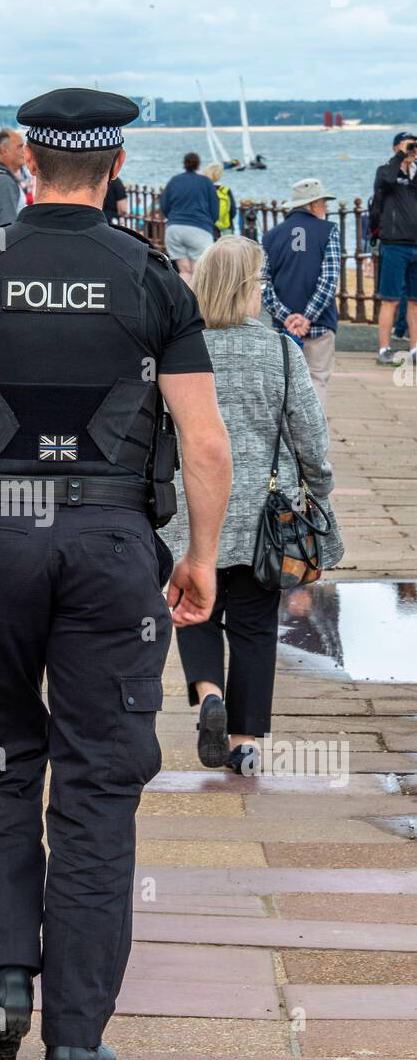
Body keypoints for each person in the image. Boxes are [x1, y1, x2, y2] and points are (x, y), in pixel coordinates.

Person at [0, 87, 232, 1060]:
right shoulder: (151, 277)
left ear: (26, 162)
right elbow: (204, 442)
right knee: (96, 783)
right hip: (112, 544)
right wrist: (200, 556)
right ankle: (75, 1036)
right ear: (116, 166)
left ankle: (2, 980)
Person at [160, 237, 343, 776]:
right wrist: (321, 487)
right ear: (247, 288)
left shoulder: (177, 347)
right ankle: (243, 742)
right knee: (255, 626)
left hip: (193, 506)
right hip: (266, 515)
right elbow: (309, 434)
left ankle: (209, 692)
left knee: (193, 605)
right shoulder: (280, 350)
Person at [261, 178, 340, 407]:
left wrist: (286, 316)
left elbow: (264, 283)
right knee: (317, 380)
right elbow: (328, 280)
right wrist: (307, 317)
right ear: (313, 205)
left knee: (285, 384)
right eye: (324, 203)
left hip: (283, 327)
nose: (325, 208)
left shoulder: (271, 236)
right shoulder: (329, 231)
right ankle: (313, 438)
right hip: (320, 323)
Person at [371, 132, 417, 364]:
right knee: (390, 299)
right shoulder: (386, 171)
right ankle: (383, 349)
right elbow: (386, 181)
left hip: (415, 245)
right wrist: (400, 156)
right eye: (406, 146)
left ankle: (415, 349)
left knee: (415, 301)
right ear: (394, 148)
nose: (410, 150)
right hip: (394, 244)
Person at [160, 152, 219, 283]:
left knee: (184, 271)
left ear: (184, 164)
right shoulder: (206, 182)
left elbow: (164, 205)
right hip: (199, 229)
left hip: (174, 229)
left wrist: (173, 218)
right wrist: (210, 223)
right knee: (199, 273)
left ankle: (183, 302)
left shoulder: (174, 180)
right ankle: (198, 302)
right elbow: (215, 210)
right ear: (198, 165)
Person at [203, 161, 236, 239]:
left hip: (209, 228)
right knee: (226, 249)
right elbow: (233, 212)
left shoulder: (204, 190)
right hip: (226, 227)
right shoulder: (225, 190)